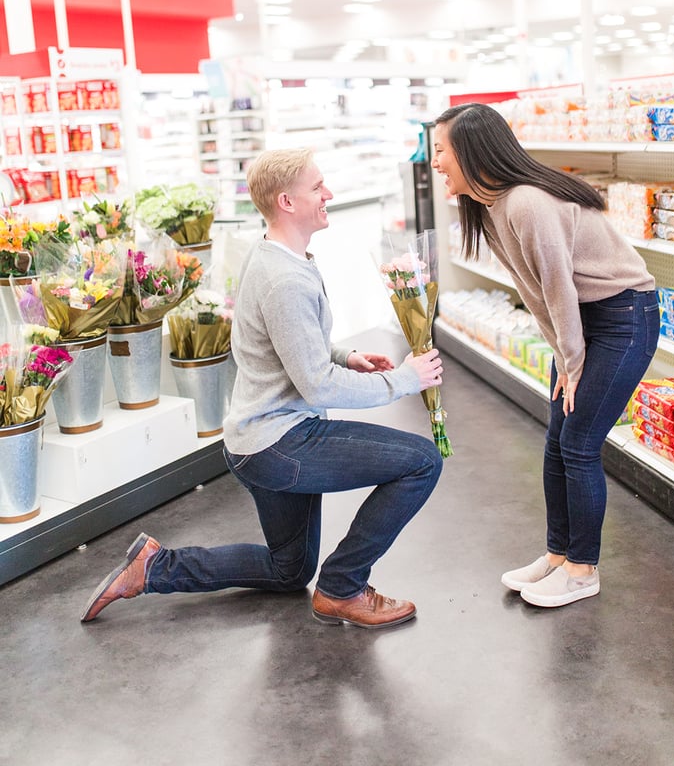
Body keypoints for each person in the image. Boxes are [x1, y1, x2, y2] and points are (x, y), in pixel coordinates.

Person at [81, 148, 444, 628]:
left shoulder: (275, 255)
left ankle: (155, 566)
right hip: (282, 445)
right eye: (318, 186)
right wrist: (402, 380)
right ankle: (343, 587)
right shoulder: (285, 278)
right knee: (422, 461)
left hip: (255, 441)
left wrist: (344, 356)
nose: (328, 194)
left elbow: (288, 345)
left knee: (288, 569)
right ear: (287, 201)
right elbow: (316, 386)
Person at [432, 103, 659, 608]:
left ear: (472, 151)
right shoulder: (489, 207)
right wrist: (562, 354)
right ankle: (558, 555)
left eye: (441, 151)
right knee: (557, 439)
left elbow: (556, 287)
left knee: (579, 444)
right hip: (581, 322)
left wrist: (572, 364)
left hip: (623, 317)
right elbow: (534, 293)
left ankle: (582, 571)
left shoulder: (526, 202)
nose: (436, 163)